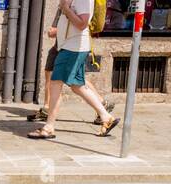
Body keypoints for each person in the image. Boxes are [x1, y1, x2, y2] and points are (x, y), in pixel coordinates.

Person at [29, 0, 118, 140]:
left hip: (73, 47)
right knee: (77, 86)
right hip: (70, 46)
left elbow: (82, 24)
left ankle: (49, 127)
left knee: (55, 84)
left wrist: (65, 8)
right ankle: (106, 116)